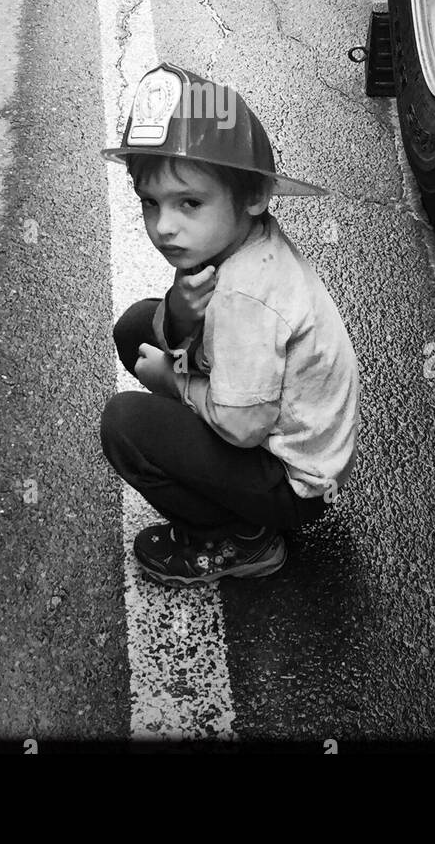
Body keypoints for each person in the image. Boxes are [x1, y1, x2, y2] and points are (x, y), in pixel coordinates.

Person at [99, 62, 359, 587]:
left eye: (189, 203)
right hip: (267, 416)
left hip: (287, 478)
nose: (164, 226)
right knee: (137, 326)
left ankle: (237, 539)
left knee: (125, 424)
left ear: (254, 195)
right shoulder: (238, 238)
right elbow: (204, 341)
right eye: (150, 203)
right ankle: (209, 466)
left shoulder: (247, 294)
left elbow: (244, 429)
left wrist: (173, 382)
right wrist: (178, 314)